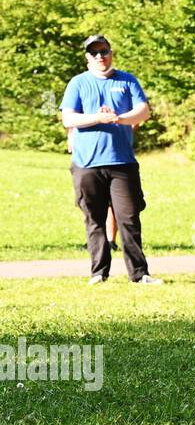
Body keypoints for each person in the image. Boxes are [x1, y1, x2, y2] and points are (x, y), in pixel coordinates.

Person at [59, 35, 162, 285]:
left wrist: (118, 118)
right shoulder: (78, 83)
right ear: (87, 58)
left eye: (103, 51)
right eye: (94, 53)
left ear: (110, 53)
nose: (99, 56)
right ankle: (98, 273)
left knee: (129, 217)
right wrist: (97, 117)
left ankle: (139, 274)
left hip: (122, 162)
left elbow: (144, 111)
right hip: (87, 164)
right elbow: (69, 119)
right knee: (94, 219)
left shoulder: (126, 80)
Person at [68, 128, 120, 252]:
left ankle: (110, 240)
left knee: (112, 202)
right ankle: (96, 240)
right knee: (90, 201)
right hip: (86, 156)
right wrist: (71, 135)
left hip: (113, 154)